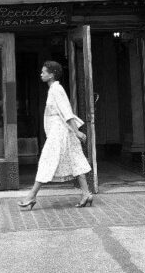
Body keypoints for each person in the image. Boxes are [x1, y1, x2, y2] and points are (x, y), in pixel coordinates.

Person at [17, 60, 93, 210]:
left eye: (44, 72)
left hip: (60, 132)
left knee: (47, 160)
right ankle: (86, 193)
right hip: (60, 131)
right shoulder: (53, 89)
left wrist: (76, 131)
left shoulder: (56, 89)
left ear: (51, 75)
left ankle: (31, 195)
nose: (41, 74)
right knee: (75, 159)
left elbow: (66, 111)